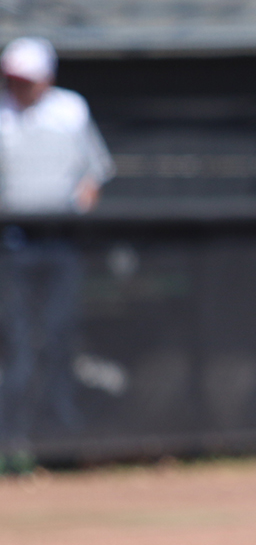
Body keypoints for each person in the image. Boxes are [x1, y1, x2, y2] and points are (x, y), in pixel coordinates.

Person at [0, 36, 115, 472]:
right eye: (11, 79)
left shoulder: (70, 110)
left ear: (46, 78)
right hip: (13, 244)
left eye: (25, 79)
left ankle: (60, 441)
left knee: (59, 337)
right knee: (17, 345)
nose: (17, 87)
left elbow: (94, 172)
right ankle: (11, 443)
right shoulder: (3, 115)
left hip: (61, 242)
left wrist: (79, 210)